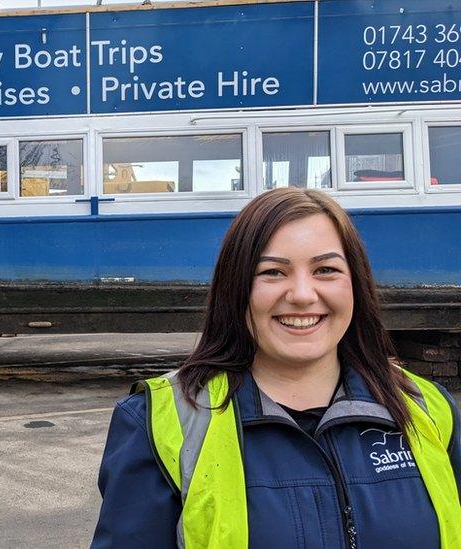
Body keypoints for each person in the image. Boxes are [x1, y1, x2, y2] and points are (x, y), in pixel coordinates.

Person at [91, 188, 461, 548]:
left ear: (356, 285)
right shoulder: (159, 424)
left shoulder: (430, 410)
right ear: (236, 288)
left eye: (326, 269)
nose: (301, 294)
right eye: (272, 272)